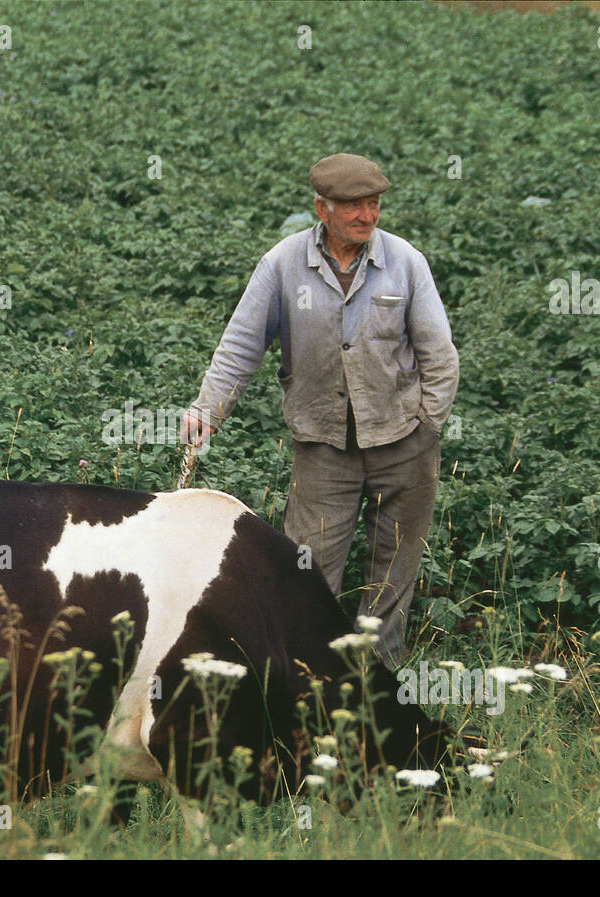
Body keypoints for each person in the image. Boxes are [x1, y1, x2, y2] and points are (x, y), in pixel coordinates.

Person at [182, 153, 459, 668]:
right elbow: (242, 346)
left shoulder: (405, 262)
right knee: (306, 572)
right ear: (322, 208)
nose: (367, 217)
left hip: (404, 441)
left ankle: (379, 692)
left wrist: (429, 425)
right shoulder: (283, 265)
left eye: (374, 205)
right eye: (353, 207)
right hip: (323, 445)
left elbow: (439, 354)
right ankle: (307, 685)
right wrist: (207, 411)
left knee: (393, 573)